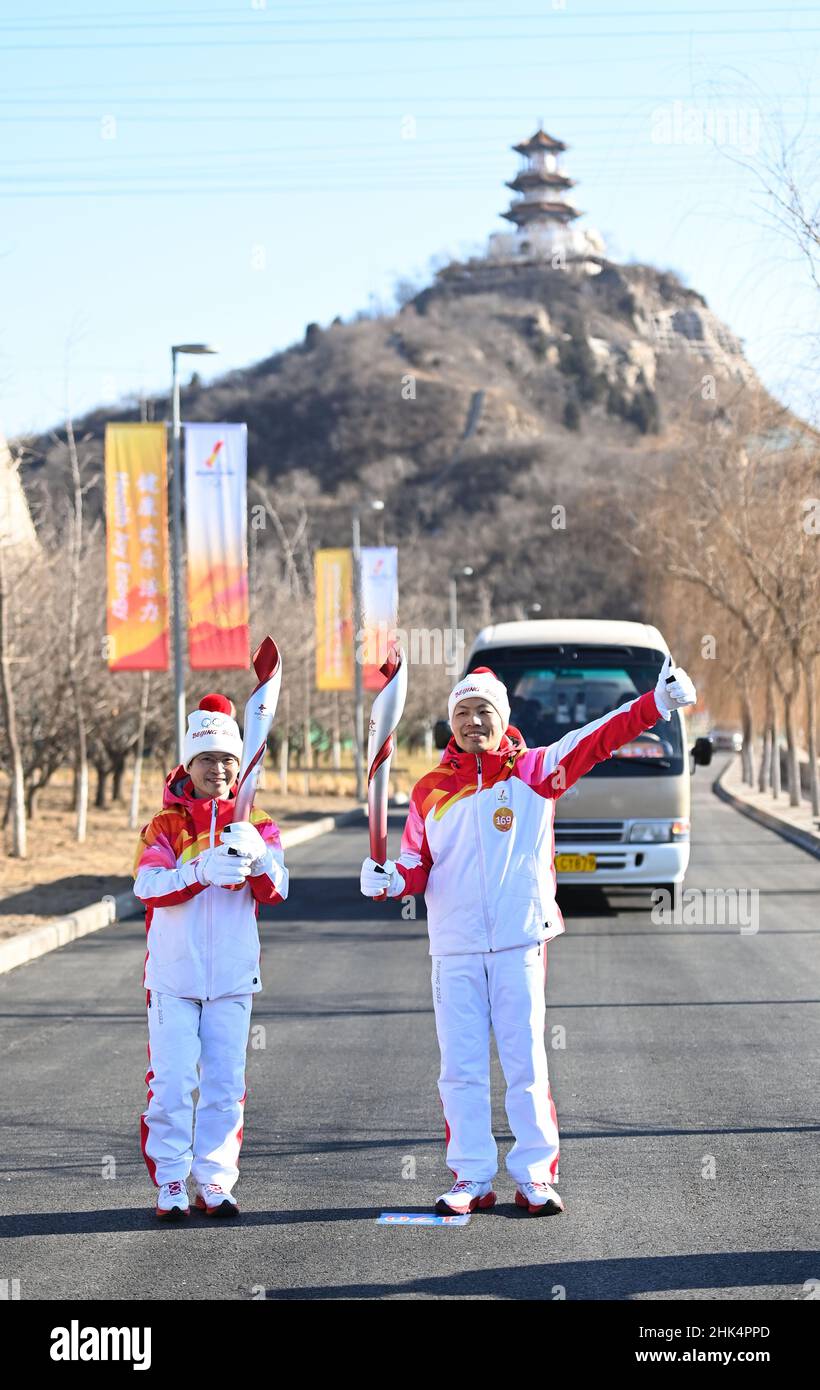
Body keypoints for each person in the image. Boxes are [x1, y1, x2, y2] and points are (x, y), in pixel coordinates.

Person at [360, 655, 696, 1216]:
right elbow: (417, 866)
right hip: (454, 945)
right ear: (452, 722)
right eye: (463, 712)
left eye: (483, 712)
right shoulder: (428, 791)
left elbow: (597, 739)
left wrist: (654, 705)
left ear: (502, 717)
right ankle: (470, 1178)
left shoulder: (534, 772)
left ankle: (536, 1175)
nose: (473, 722)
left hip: (519, 941)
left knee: (525, 1064)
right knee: (460, 1069)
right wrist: (390, 878)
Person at [133, 693, 288, 1221]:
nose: (218, 769)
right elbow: (148, 885)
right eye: (206, 760)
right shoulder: (166, 826)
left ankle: (216, 1180)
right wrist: (200, 872)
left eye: (227, 759)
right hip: (173, 978)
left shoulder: (259, 822)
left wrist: (260, 856)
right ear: (188, 764)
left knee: (225, 1085)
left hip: (232, 978)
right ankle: (173, 1181)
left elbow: (277, 891)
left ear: (239, 763)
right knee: (174, 1084)